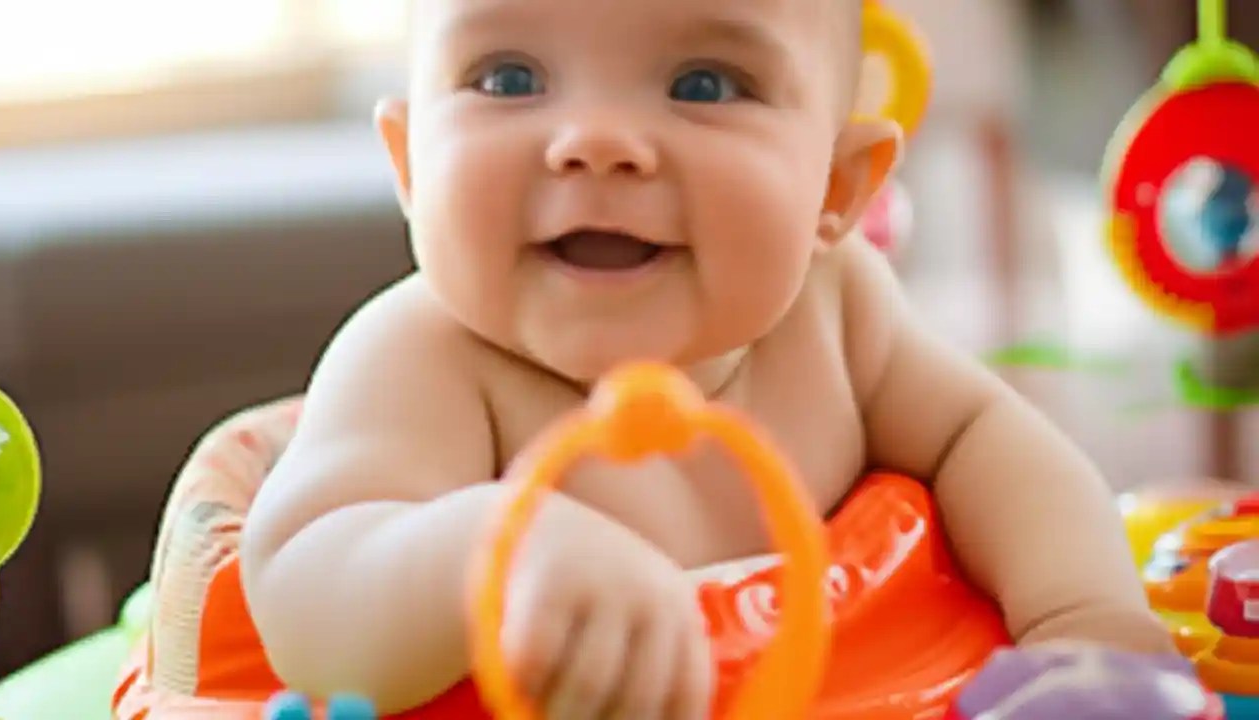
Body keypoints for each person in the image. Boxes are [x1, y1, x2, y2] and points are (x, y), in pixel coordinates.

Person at [237, 0, 1175, 717]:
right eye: (510, 77)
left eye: (705, 85)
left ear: (835, 191)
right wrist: (495, 548)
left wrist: (1084, 618)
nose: (596, 142)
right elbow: (303, 592)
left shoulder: (838, 313)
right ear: (408, 164)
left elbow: (990, 437)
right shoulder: (425, 361)